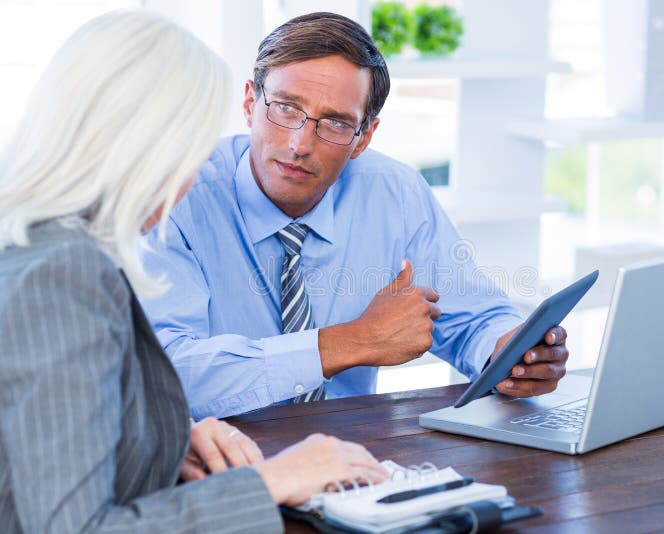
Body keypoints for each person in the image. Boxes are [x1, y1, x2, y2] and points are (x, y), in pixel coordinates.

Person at [0, 10, 388, 533]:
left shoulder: (34, 244)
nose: (194, 174)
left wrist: (164, 437)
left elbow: (33, 427)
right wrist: (273, 480)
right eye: (195, 146)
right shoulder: (65, 274)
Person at [141, 11, 569, 420]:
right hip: (217, 459)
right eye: (286, 108)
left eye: (335, 123)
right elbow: (167, 373)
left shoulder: (393, 192)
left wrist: (511, 352)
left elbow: (474, 317)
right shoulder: (177, 194)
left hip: (353, 452)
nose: (299, 144)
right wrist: (348, 343)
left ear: (364, 137)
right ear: (251, 103)